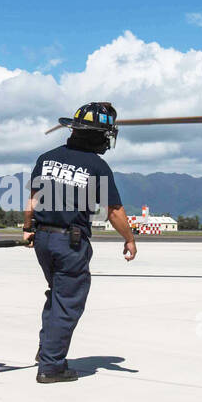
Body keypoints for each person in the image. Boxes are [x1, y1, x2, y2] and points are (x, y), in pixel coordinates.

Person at [23, 102, 137, 384]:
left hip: (43, 238)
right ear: (99, 135)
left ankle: (46, 348)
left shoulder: (47, 158)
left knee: (56, 294)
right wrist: (129, 238)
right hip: (70, 242)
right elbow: (113, 211)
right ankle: (51, 366)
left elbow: (33, 200)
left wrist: (28, 228)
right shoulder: (96, 165)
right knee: (68, 301)